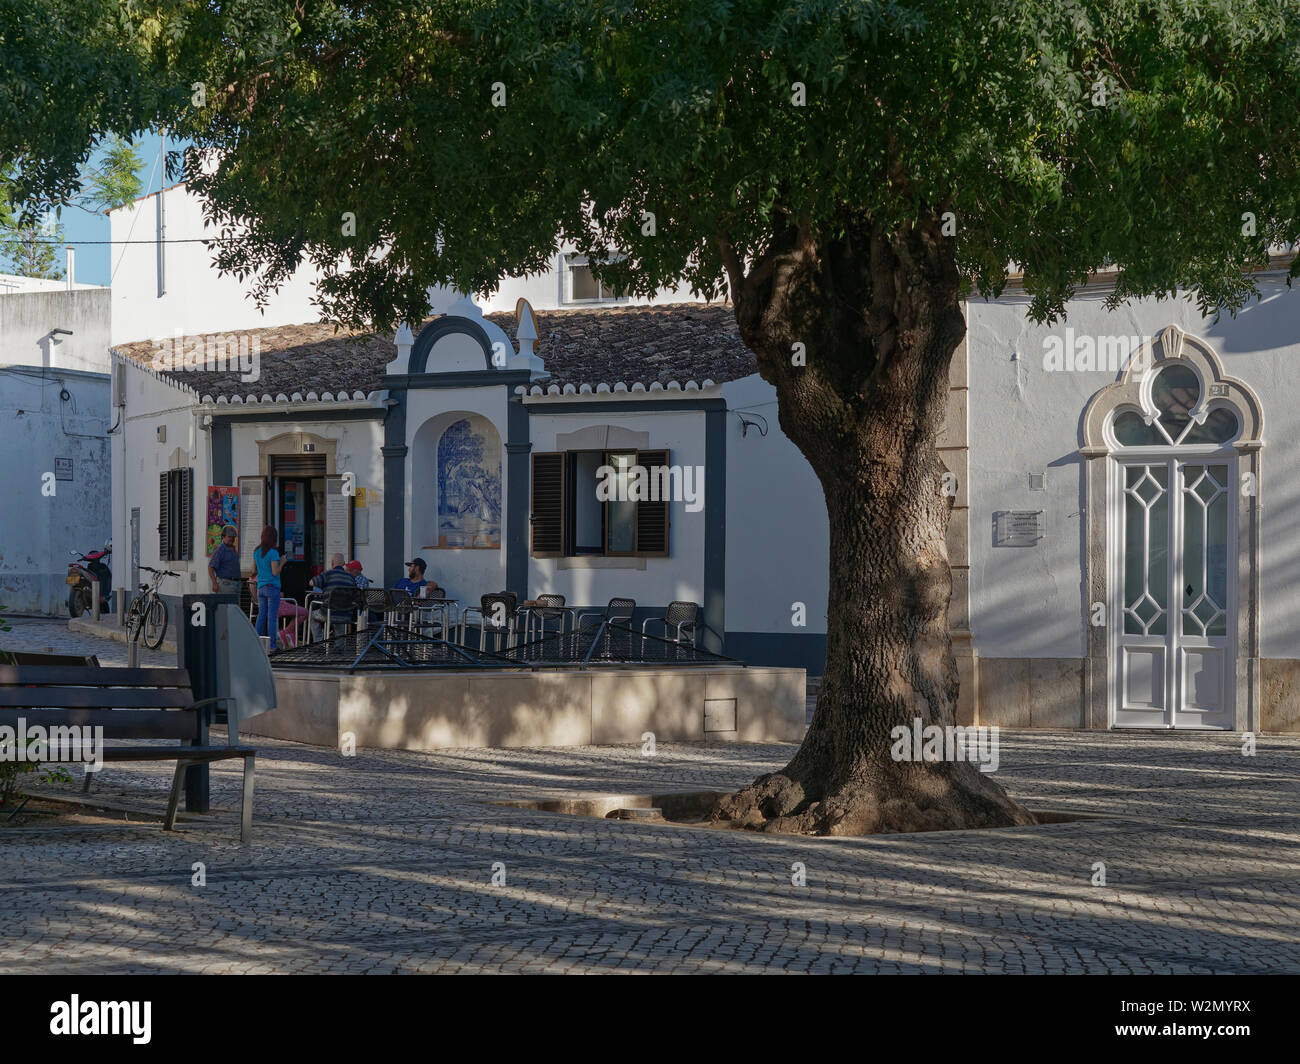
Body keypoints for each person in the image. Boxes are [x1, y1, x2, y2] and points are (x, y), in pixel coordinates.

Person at [310, 553, 358, 641]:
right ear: (343, 564)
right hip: (346, 615)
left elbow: (311, 582)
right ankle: (339, 647)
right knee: (339, 615)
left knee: (311, 616)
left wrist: (324, 586)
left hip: (328, 614)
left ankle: (319, 643)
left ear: (332, 563)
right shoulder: (350, 577)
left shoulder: (328, 574)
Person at [252, 525, 282, 649]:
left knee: (261, 615)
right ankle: (272, 646)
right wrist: (283, 562)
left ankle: (256, 644)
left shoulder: (256, 551)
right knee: (272, 618)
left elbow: (253, 570)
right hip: (272, 587)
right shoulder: (273, 552)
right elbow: (275, 572)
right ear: (274, 538)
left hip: (261, 588)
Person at [208, 525, 241, 596]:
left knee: (233, 606)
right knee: (228, 606)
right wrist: (214, 583)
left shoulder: (234, 550)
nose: (232, 539)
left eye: (233, 537)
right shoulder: (220, 550)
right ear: (223, 537)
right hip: (225, 584)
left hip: (236, 584)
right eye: (229, 536)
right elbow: (211, 567)